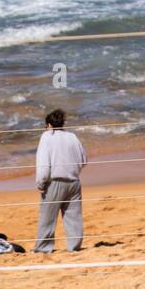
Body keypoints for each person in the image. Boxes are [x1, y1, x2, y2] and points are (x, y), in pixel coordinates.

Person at [33, 108, 86, 253]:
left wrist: (41, 183)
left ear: (48, 125)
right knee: (73, 217)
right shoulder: (72, 136)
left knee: (47, 218)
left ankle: (43, 248)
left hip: (54, 182)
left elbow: (43, 164)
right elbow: (83, 160)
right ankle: (74, 247)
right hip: (74, 181)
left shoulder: (46, 136)